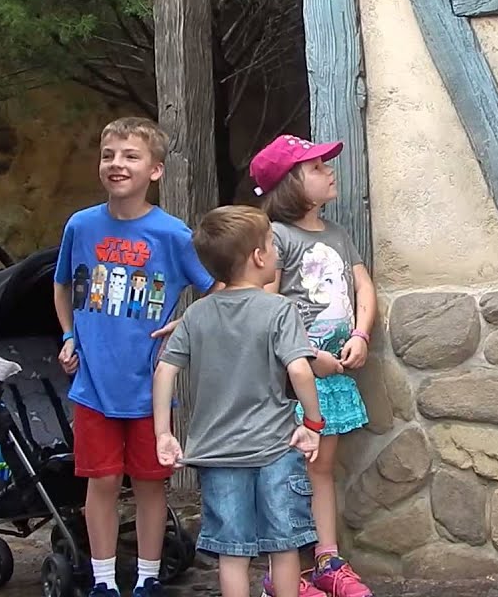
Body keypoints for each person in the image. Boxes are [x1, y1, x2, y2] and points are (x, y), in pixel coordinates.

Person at [52, 116, 218, 597]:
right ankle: (103, 581)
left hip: (151, 389)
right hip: (93, 385)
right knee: (101, 482)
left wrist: (185, 324)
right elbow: (63, 285)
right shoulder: (80, 226)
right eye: (108, 155)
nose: (116, 164)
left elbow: (219, 290)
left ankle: (147, 577)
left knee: (150, 485)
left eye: (130, 156)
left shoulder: (173, 234)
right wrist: (68, 336)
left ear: (156, 171)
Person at [152, 205, 326, 597]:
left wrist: (163, 432)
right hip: (276, 449)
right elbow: (300, 370)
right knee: (283, 548)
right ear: (259, 257)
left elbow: (165, 370)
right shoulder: (280, 309)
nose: (276, 251)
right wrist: (312, 424)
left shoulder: (196, 314)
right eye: (271, 243)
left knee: (233, 554)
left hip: (217, 454)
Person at [250, 134, 377, 597]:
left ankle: (328, 559)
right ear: (290, 185)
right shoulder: (277, 238)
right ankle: (284, 574)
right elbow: (265, 307)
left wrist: (361, 334)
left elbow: (363, 288)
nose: (330, 172)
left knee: (321, 469)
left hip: (335, 376)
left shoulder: (339, 234)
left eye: (326, 165)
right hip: (294, 380)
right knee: (289, 474)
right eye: (318, 168)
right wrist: (305, 354)